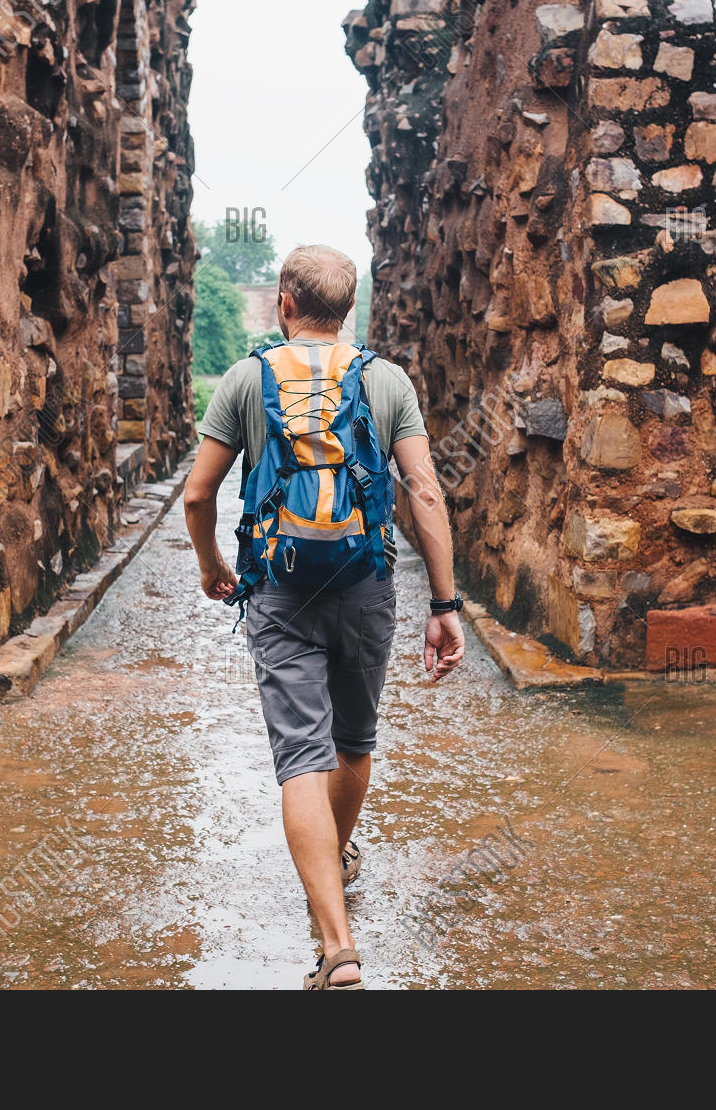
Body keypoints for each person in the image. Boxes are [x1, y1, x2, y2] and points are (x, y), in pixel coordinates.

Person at [183, 244, 466, 989]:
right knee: (353, 742)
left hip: (279, 587)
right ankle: (335, 863)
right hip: (366, 582)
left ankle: (336, 945)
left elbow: (196, 495)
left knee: (299, 758)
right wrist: (444, 603)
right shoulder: (387, 379)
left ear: (284, 303)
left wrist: (214, 567)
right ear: (350, 311)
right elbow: (424, 493)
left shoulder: (246, 378)